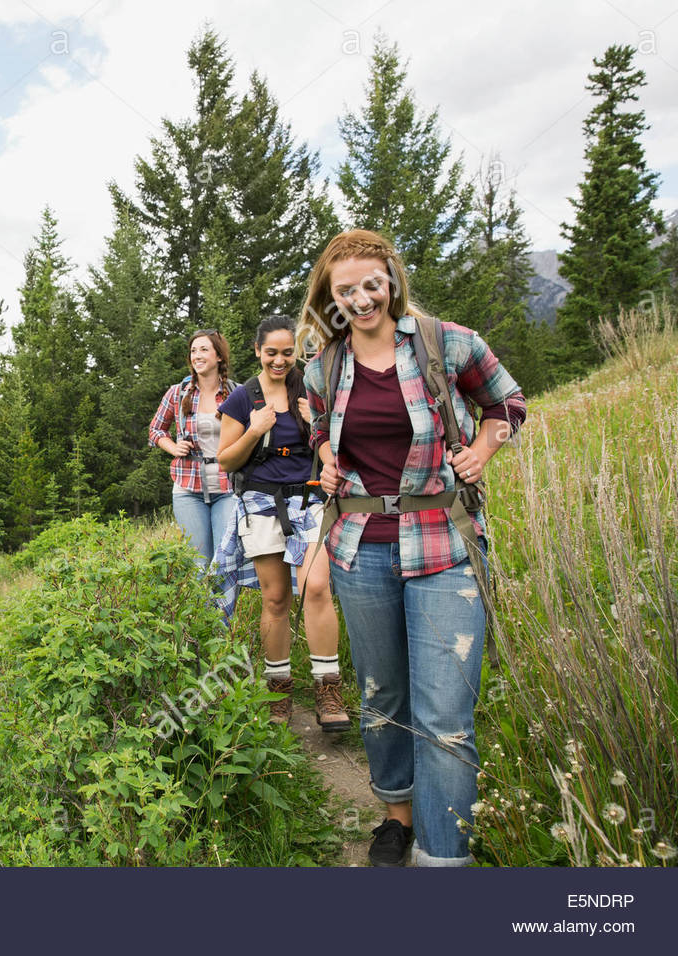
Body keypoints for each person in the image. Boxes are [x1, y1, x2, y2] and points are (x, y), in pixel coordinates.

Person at [298, 229, 526, 867]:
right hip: (359, 549)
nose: (362, 299)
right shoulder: (324, 365)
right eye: (346, 291)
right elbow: (319, 425)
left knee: (445, 710)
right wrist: (325, 456)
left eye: (372, 284)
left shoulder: (448, 343)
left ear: (392, 280)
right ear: (332, 299)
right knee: (383, 695)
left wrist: (483, 448)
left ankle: (442, 857)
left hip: (443, 542)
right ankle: (396, 815)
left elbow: (507, 400)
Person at [213, 316, 348, 733]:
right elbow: (226, 459)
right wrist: (254, 431)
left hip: (310, 501)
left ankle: (329, 689)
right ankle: (279, 691)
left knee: (317, 587)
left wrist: (317, 424)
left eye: (287, 352)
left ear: (296, 352)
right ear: (257, 351)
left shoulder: (311, 388)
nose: (279, 360)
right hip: (260, 502)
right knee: (274, 599)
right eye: (271, 352)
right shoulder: (241, 399)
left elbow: (337, 447)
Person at [149, 329, 238, 570]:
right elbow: (156, 430)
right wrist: (174, 447)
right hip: (188, 487)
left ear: (219, 356)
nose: (197, 355)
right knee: (198, 563)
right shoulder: (178, 392)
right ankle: (200, 609)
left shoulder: (236, 393)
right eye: (193, 351)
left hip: (227, 485)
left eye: (204, 349)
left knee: (224, 561)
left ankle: (220, 609)